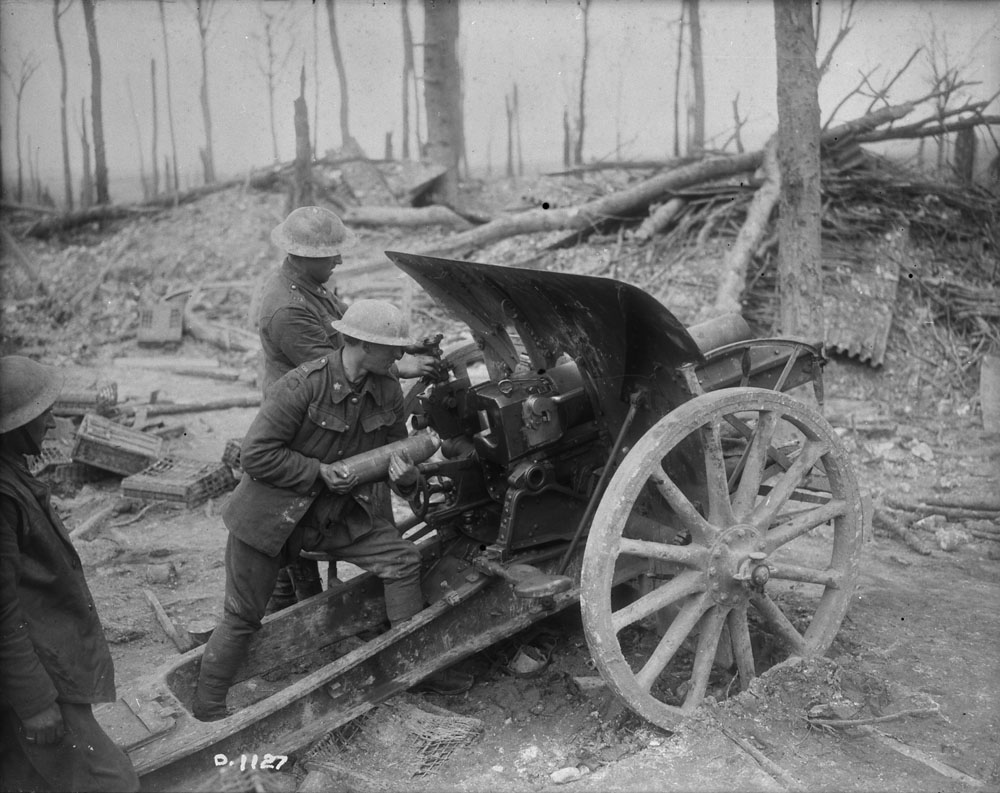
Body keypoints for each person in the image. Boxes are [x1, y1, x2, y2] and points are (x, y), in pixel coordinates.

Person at [192, 300, 466, 722]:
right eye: (391, 348)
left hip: (329, 517)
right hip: (269, 518)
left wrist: (406, 477)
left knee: (401, 559)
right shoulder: (303, 385)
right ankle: (208, 711)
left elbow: (392, 457)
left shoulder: (387, 390)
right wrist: (318, 472)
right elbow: (255, 456)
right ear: (359, 343)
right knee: (243, 616)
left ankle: (413, 668)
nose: (399, 356)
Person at [256, 206, 440, 611]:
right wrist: (402, 366)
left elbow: (348, 332)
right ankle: (307, 610)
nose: (339, 260)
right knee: (319, 514)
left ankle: (299, 605)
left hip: (327, 412)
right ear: (302, 255)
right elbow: (341, 368)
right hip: (314, 423)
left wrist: (399, 345)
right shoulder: (287, 308)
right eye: (330, 254)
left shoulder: (310, 285)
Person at [0, 356, 139, 792]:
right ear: (12, 426)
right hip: (37, 679)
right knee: (113, 784)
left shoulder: (11, 474)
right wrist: (36, 703)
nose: (54, 424)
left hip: (34, 670)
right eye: (42, 416)